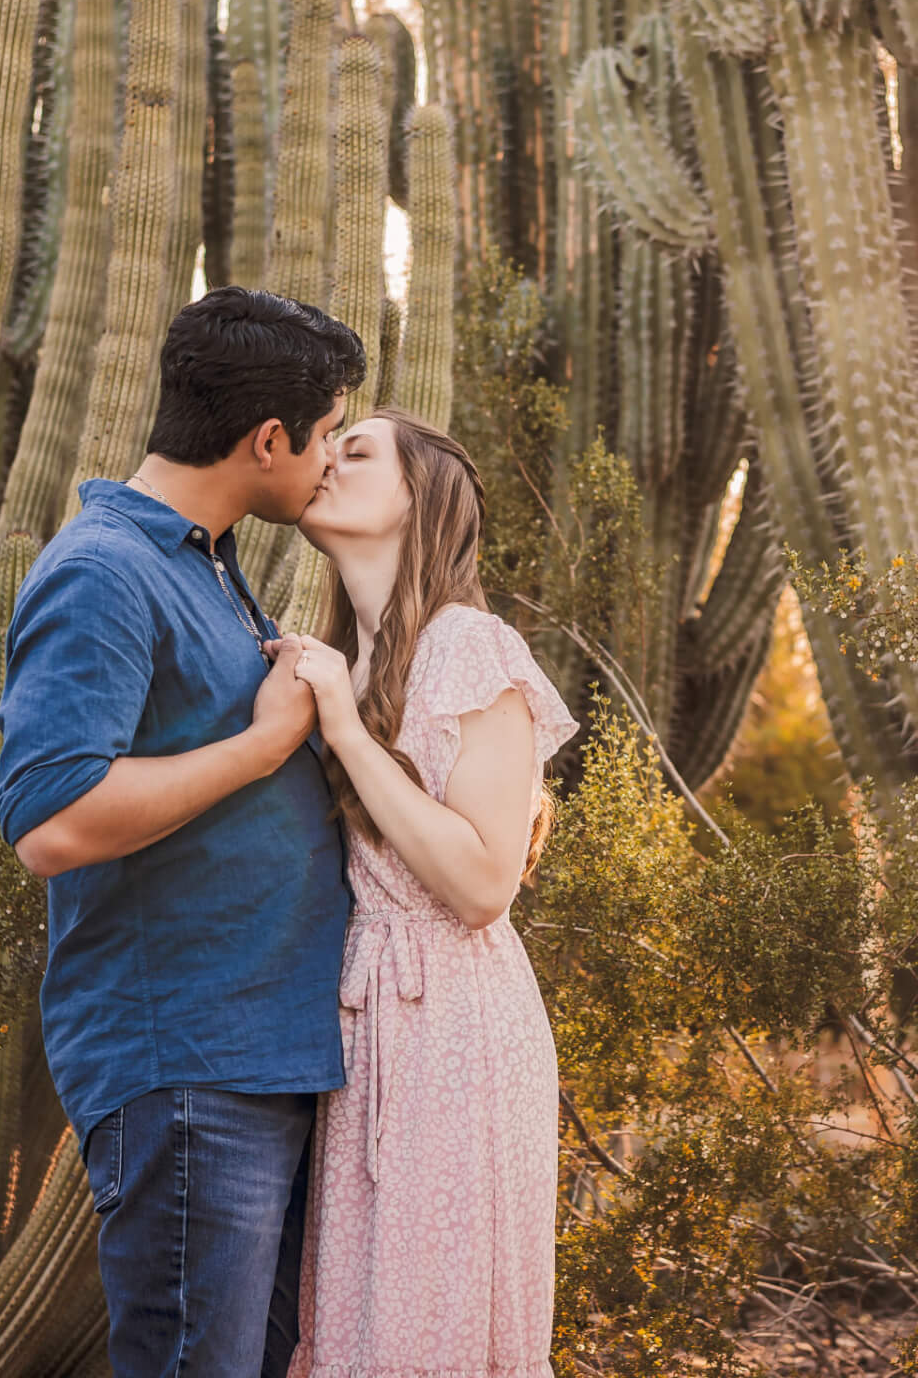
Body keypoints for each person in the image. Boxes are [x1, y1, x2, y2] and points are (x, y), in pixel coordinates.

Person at [0, 285, 365, 1378]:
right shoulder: (103, 570)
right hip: (193, 1074)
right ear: (266, 439)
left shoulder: (199, 559)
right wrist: (258, 749)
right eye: (330, 435)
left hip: (261, 1060)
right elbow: (51, 820)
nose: (333, 458)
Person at [272, 407, 578, 1378]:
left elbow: (487, 882)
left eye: (357, 453)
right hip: (372, 1030)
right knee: (371, 1324)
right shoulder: (342, 659)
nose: (329, 461)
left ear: (421, 498)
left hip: (455, 1024)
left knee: (430, 1328)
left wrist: (350, 736)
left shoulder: (469, 646)